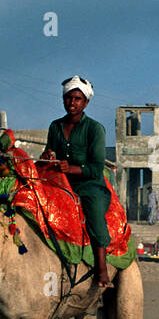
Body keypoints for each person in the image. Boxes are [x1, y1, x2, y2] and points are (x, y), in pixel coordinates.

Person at [38, 75, 115, 287]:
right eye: (68, 98)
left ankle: (101, 269)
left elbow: (96, 167)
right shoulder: (55, 126)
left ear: (86, 102)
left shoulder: (95, 129)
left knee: (93, 211)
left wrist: (71, 168)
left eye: (77, 99)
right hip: (59, 181)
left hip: (89, 184)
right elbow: (50, 150)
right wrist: (47, 156)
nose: (72, 102)